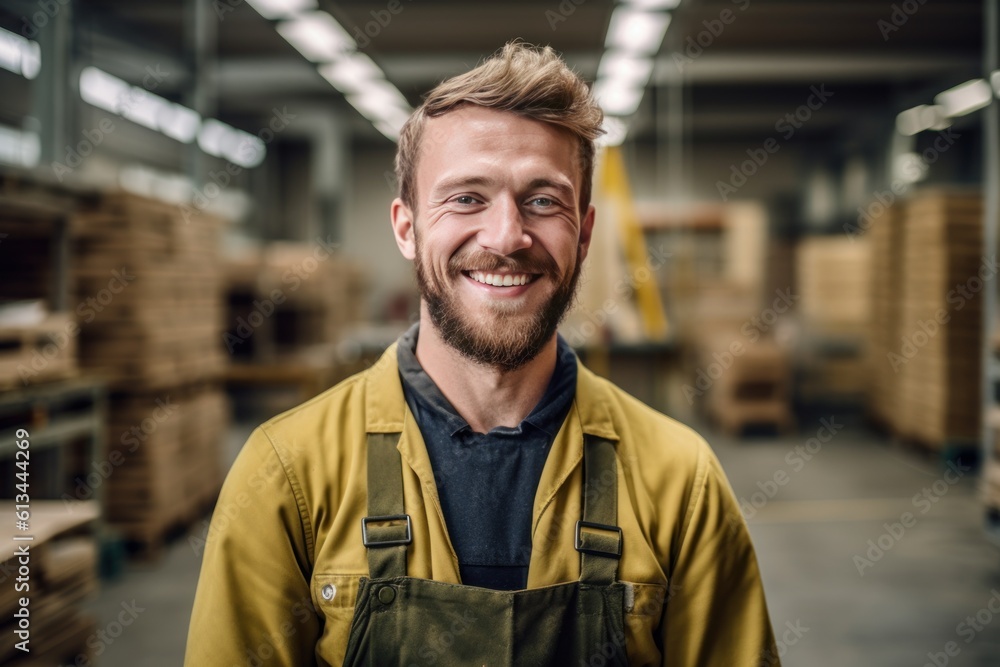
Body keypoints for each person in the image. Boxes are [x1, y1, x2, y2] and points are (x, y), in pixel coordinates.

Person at [185, 41, 779, 666]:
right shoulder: (288, 474)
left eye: (543, 201)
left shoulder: (680, 480)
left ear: (583, 233)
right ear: (407, 227)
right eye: (467, 198)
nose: (506, 237)